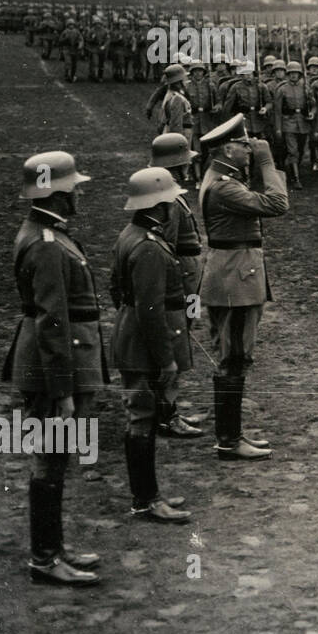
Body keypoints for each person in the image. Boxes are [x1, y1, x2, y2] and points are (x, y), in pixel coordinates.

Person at [4, 152, 104, 585]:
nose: (79, 193)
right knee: (49, 457)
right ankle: (45, 558)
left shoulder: (46, 233)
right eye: (74, 187)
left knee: (56, 456)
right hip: (51, 368)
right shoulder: (46, 243)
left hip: (50, 362)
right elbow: (52, 320)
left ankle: (53, 549)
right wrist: (63, 390)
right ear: (59, 193)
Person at [198, 113, 290, 460]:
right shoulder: (224, 187)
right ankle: (229, 440)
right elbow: (278, 204)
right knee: (234, 356)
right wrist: (267, 162)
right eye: (243, 144)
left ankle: (231, 436)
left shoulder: (221, 179)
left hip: (234, 274)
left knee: (233, 356)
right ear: (227, 149)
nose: (249, 149)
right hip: (235, 280)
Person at [109, 169, 196, 523]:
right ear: (159, 205)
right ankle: (145, 500)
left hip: (132, 336)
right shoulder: (148, 246)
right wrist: (166, 359)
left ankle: (147, 495)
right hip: (143, 344)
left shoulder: (132, 235)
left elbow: (116, 289)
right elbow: (150, 309)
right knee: (142, 417)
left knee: (143, 415)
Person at [148, 133, 204, 438]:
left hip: (188, 282)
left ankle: (169, 409)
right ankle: (166, 414)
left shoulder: (169, 191)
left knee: (182, 340)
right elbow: (166, 248)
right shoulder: (167, 197)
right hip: (180, 284)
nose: (188, 166)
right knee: (174, 346)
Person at [274, 61, 311, 188]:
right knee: (292, 150)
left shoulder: (305, 87)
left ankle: (293, 169)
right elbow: (277, 111)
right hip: (288, 123)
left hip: (303, 123)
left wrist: (312, 113)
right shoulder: (282, 89)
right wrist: (278, 128)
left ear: (299, 74)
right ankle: (296, 178)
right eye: (291, 73)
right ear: (287, 74)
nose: (293, 75)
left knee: (301, 149)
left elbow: (314, 105)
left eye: (296, 73)